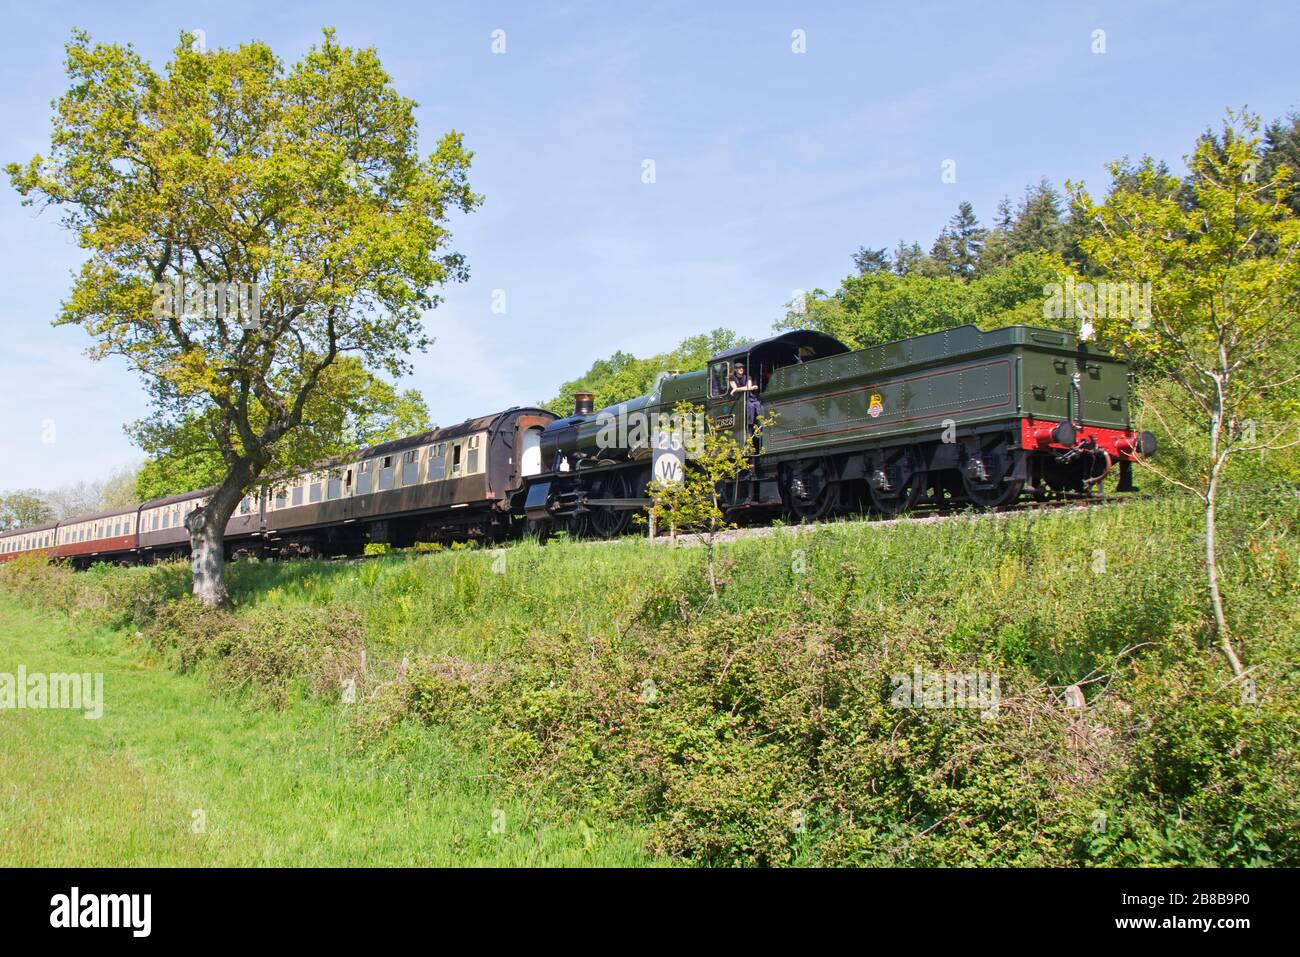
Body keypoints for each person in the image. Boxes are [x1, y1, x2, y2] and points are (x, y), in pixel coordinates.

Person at [729, 361, 760, 434]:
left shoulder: (748, 377)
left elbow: (747, 387)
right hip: (740, 399)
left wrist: (737, 389)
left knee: (758, 405)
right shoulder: (732, 378)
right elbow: (735, 388)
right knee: (750, 406)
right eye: (739, 368)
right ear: (735, 370)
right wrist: (749, 387)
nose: (741, 369)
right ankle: (749, 425)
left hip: (750, 397)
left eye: (742, 367)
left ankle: (759, 423)